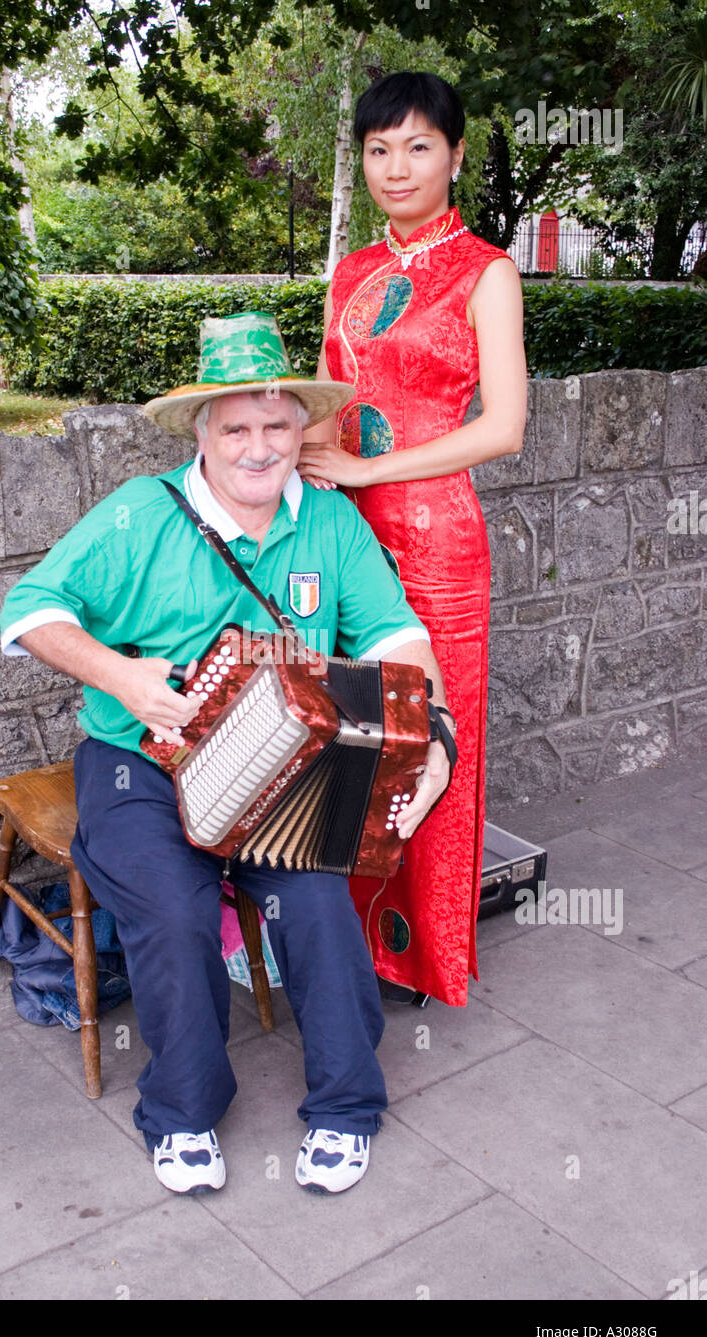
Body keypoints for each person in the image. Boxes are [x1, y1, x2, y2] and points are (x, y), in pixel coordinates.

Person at [0, 312, 456, 1197]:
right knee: (172, 914)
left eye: (276, 425)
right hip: (142, 759)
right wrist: (123, 677)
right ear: (204, 432)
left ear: (299, 428)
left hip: (282, 765)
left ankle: (347, 1106)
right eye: (236, 427)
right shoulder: (138, 514)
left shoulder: (328, 522)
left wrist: (429, 733)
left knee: (319, 901)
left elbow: (397, 633)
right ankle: (181, 1109)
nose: (258, 446)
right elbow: (28, 610)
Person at [299, 71, 528, 1008]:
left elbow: (503, 426)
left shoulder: (487, 270)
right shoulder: (351, 272)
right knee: (348, 730)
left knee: (428, 736)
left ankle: (420, 954)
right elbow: (326, 396)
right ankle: (341, 935)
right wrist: (305, 471)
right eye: (378, 149)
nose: (397, 168)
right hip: (344, 535)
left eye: (418, 146)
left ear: (456, 155)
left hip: (435, 544)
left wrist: (364, 472)